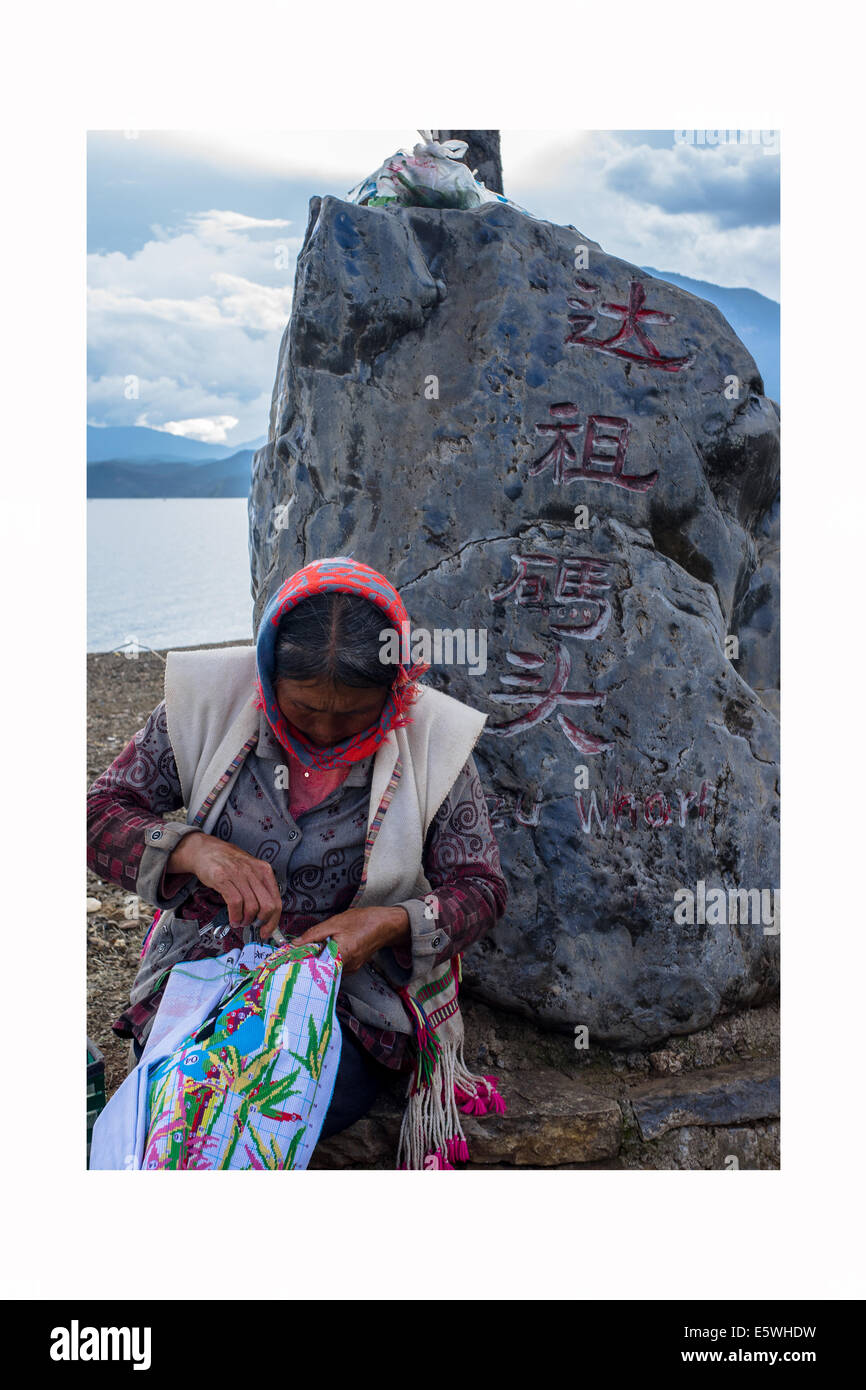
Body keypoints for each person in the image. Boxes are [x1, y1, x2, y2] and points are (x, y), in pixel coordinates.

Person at [87, 556, 509, 1166]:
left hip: (347, 1000)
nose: (325, 731)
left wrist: (388, 923)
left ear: (393, 689)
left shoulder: (430, 741)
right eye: (305, 708)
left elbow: (481, 887)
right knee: (198, 1082)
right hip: (204, 974)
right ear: (268, 673)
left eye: (352, 713)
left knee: (266, 1091)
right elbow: (100, 812)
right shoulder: (210, 705)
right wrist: (189, 848)